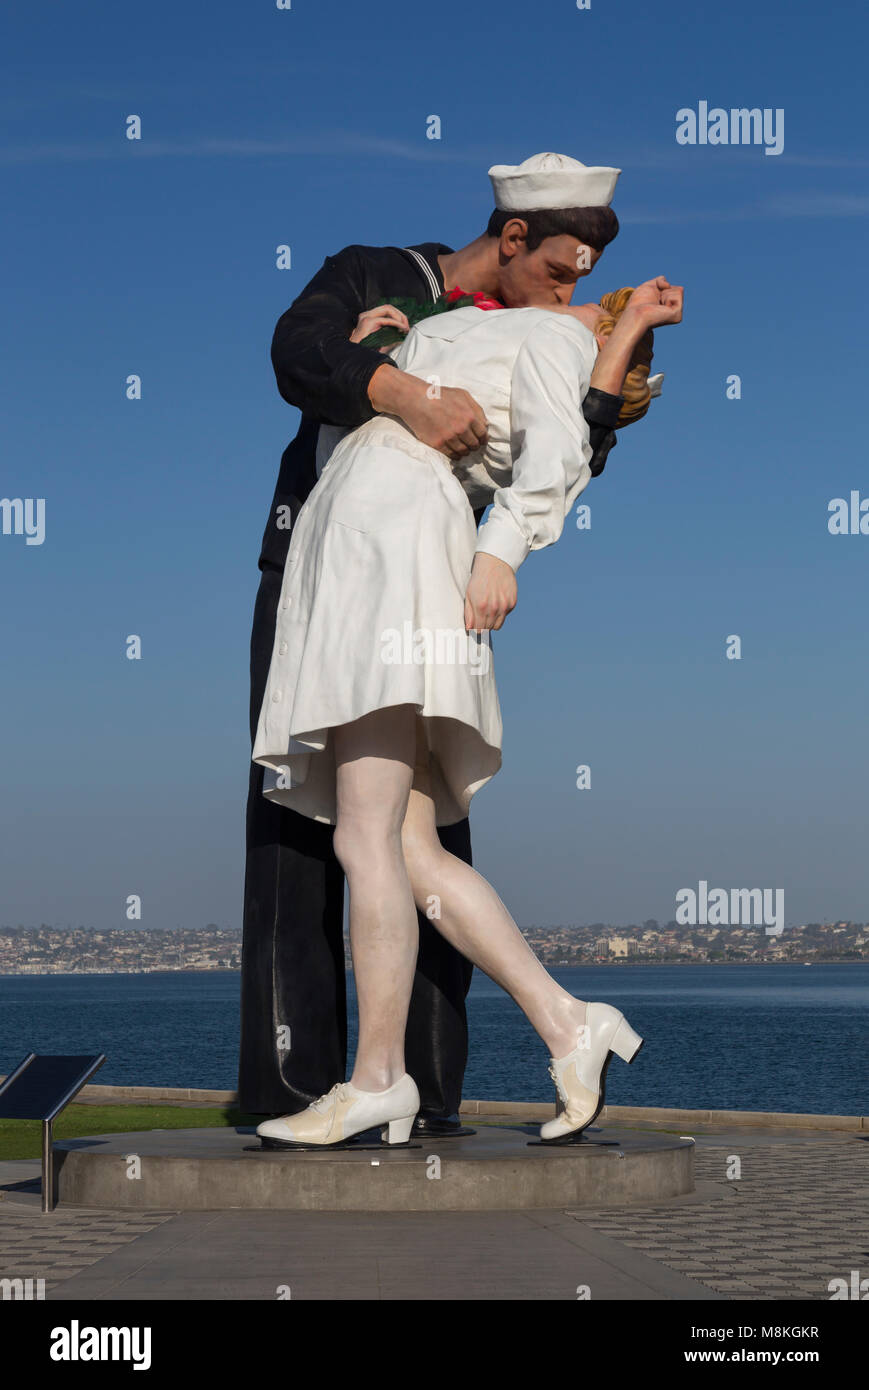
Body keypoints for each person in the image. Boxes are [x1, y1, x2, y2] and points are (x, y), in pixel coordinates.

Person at [239, 154, 638, 1132]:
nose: (574, 293)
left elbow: (563, 453)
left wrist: (501, 550)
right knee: (408, 845)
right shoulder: (413, 295)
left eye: (592, 286)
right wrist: (386, 351)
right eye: (562, 270)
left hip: (388, 550)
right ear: (511, 241)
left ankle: (380, 1079)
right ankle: (565, 1020)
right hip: (360, 551)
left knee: (363, 831)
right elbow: (302, 350)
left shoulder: (544, 332)